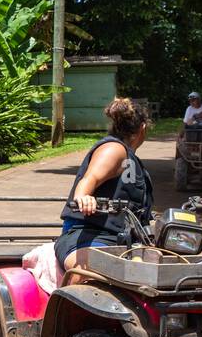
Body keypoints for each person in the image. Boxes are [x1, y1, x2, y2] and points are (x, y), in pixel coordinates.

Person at [55, 98, 155, 272]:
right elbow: (89, 179)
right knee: (93, 272)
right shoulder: (114, 149)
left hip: (123, 241)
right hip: (88, 236)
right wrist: (83, 197)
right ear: (143, 128)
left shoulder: (131, 158)